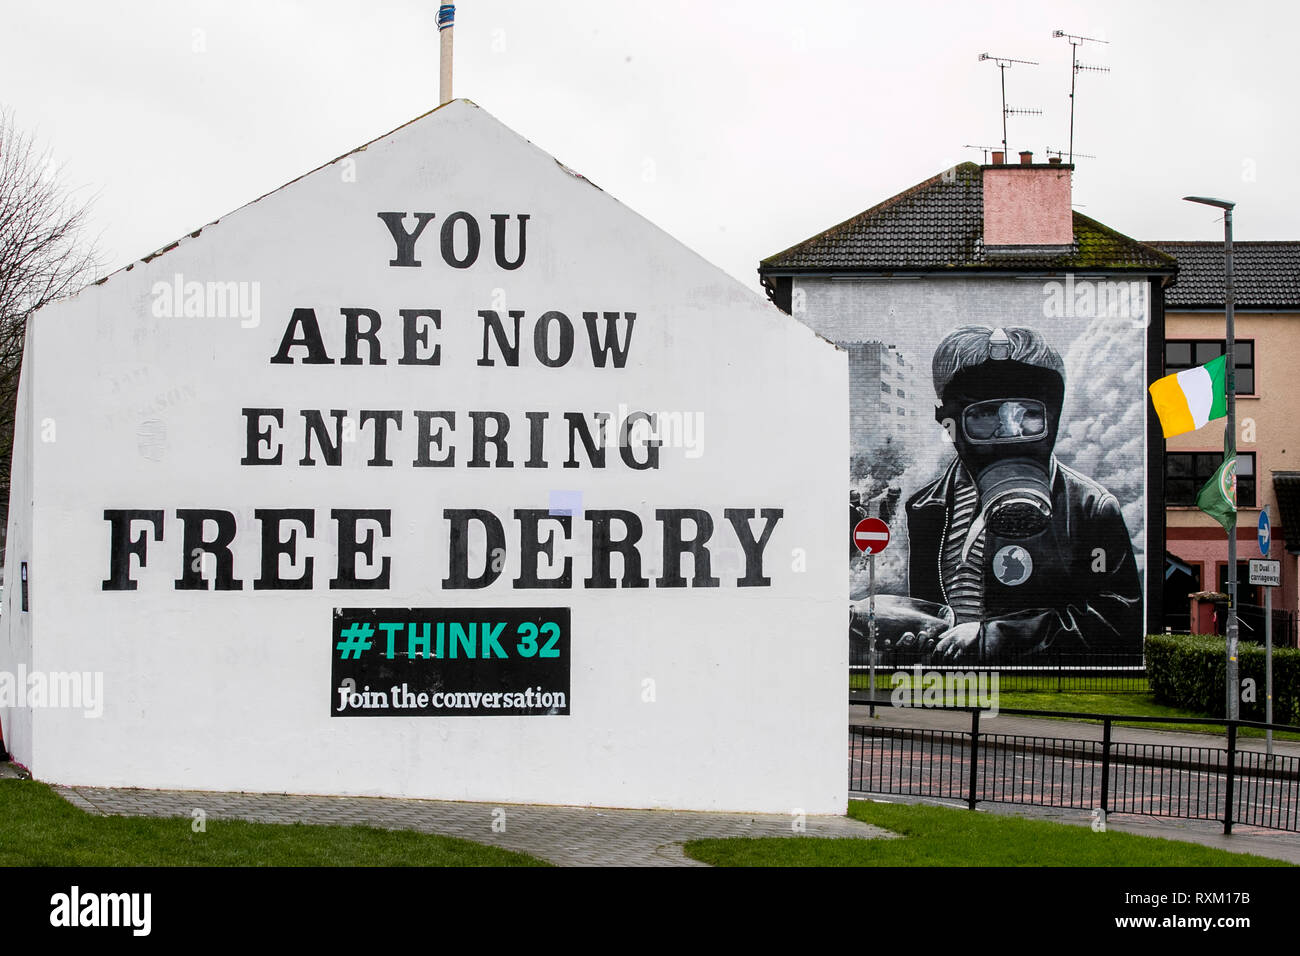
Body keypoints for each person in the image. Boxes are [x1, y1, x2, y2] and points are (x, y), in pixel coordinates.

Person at [902, 326, 1142, 662]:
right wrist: (914, 632)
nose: (1010, 433)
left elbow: (1117, 623)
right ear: (947, 421)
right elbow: (929, 613)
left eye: (1028, 413)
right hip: (948, 684)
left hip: (1033, 685)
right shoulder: (926, 508)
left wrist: (994, 637)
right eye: (986, 414)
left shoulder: (1090, 508)